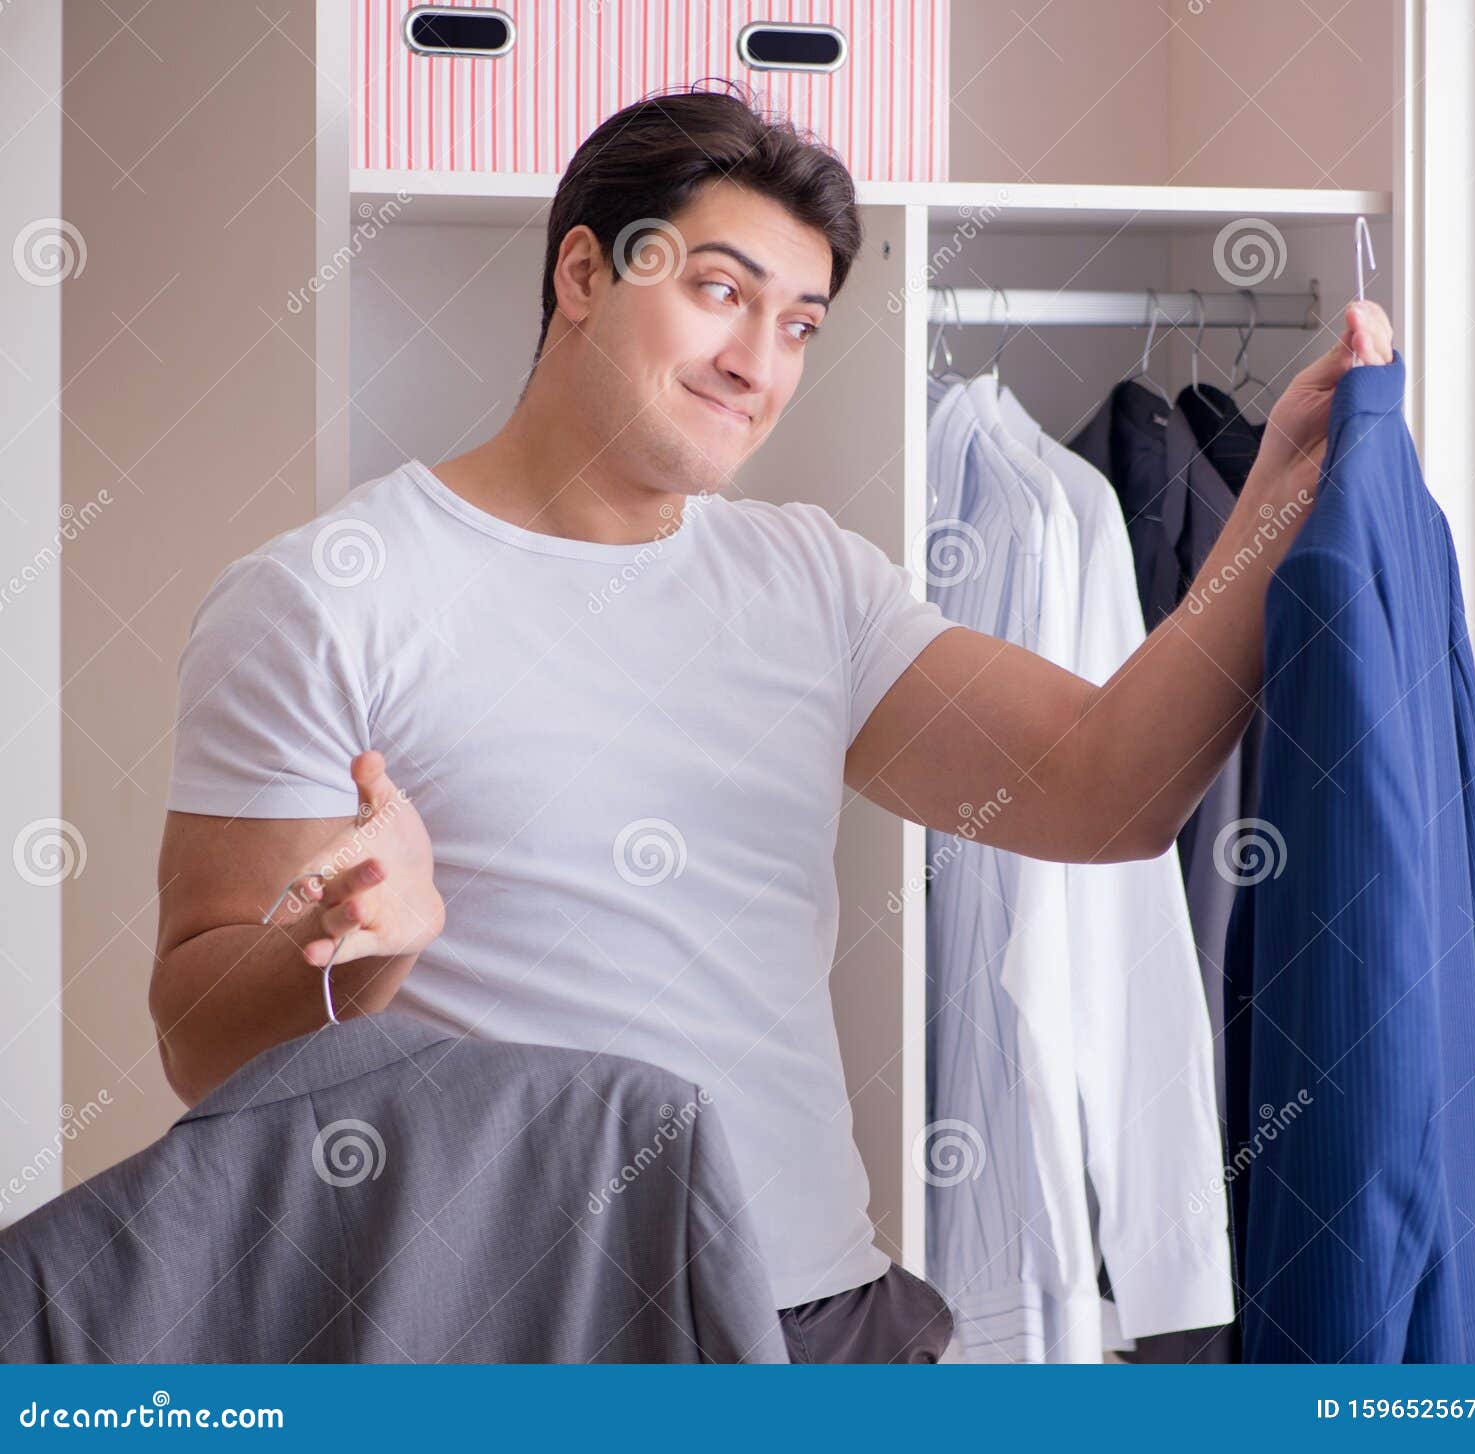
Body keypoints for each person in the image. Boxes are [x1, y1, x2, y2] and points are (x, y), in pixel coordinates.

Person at [149, 85, 1394, 1364]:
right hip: (525, 1338)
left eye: (798, 323)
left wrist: (1276, 504)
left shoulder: (812, 581)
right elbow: (200, 1041)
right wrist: (370, 946)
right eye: (719, 291)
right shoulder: (328, 596)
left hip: (823, 1322)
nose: (758, 360)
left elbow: (1103, 790)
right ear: (582, 273)